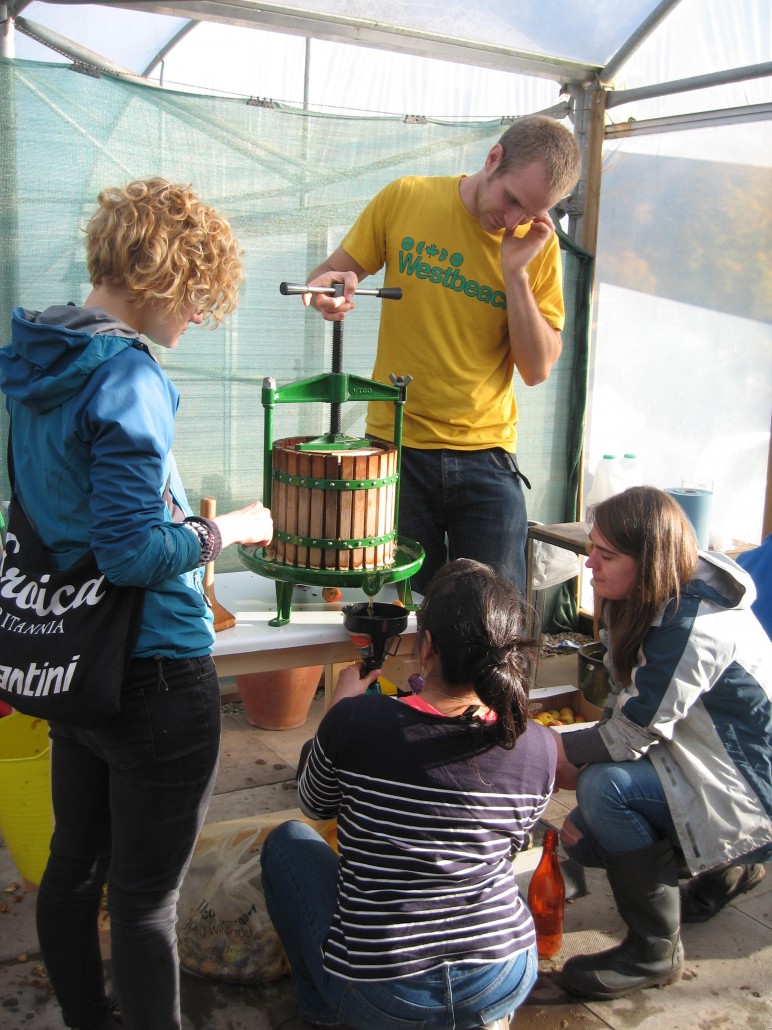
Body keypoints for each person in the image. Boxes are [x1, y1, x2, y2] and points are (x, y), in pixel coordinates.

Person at [0, 178, 274, 1030]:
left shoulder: (37, 363)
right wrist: (226, 529)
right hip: (151, 671)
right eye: (196, 298)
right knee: (148, 899)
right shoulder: (126, 376)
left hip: (73, 662)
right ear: (163, 277)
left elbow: (51, 517)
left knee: (75, 865)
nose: (194, 319)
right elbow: (127, 552)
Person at [260, 559, 555, 1029]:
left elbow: (314, 802)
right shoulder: (536, 745)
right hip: (502, 975)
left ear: (427, 647)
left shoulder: (357, 723)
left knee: (288, 843)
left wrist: (337, 710)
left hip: (383, 993)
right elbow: (511, 842)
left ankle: (324, 1013)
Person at [301, 115, 581, 594]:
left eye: (532, 212)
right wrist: (330, 292)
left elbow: (536, 369)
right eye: (512, 199)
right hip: (397, 448)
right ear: (493, 159)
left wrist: (515, 273)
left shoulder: (536, 248)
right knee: (402, 617)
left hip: (486, 458)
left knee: (493, 622)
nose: (514, 220)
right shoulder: (407, 197)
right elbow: (325, 279)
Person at [552, 486, 772, 1001]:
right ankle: (729, 870)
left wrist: (553, 755)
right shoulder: (649, 599)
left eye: (605, 555)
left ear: (646, 559)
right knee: (582, 837)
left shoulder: (690, 623)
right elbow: (626, 707)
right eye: (592, 550)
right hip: (715, 768)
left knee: (605, 792)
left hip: (755, 793)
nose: (590, 566)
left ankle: (653, 951)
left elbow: (626, 737)